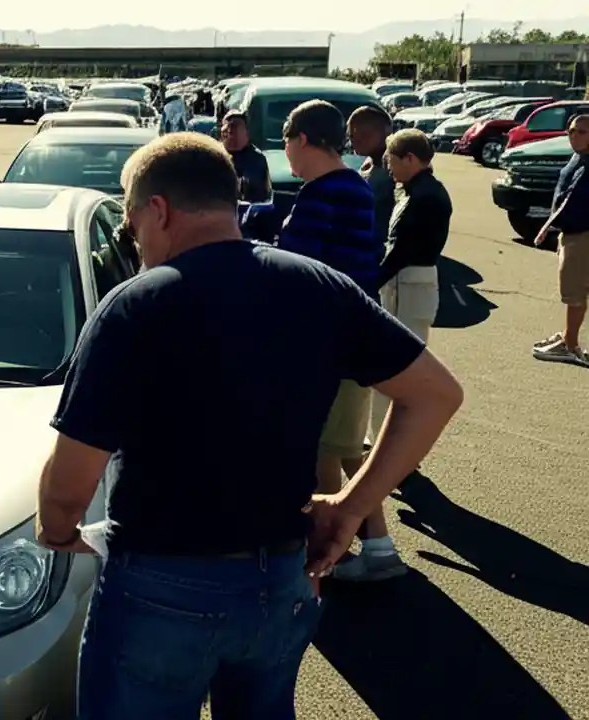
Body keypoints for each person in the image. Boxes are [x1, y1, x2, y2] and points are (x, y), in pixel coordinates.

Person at [36, 132, 463, 719]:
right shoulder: (319, 286)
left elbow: (70, 481)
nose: (135, 244)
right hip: (282, 581)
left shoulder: (136, 306)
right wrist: (349, 502)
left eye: (132, 227)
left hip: (161, 584)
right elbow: (436, 395)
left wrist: (57, 529)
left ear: (157, 210)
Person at [333, 128, 452, 583]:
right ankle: (390, 451)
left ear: (410, 158)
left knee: (401, 371)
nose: (386, 165)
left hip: (412, 282)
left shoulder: (427, 197)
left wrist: (375, 275)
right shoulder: (417, 189)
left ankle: (401, 454)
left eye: (391, 158)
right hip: (404, 281)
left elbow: (404, 250)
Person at [277, 100, 384, 501]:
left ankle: (329, 548)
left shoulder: (321, 194)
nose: (285, 152)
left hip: (330, 340)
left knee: (325, 450)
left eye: (286, 142)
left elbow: (296, 268)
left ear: (302, 139)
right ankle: (377, 548)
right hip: (354, 331)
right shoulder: (354, 185)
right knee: (346, 448)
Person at [532, 114, 589, 366]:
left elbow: (571, 198)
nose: (573, 136)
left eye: (581, 132)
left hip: (583, 235)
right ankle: (568, 337)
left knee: (575, 292)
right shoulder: (578, 156)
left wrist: (546, 226)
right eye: (571, 131)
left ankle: (570, 345)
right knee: (574, 290)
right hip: (571, 233)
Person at [348, 106, 396, 248]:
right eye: (351, 135)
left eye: (364, 134)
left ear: (385, 132)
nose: (355, 140)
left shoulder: (395, 170)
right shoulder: (370, 161)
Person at [220, 110, 272, 203]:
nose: (231, 132)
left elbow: (262, 193)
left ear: (247, 133)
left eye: (236, 127)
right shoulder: (216, 156)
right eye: (228, 128)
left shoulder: (257, 159)